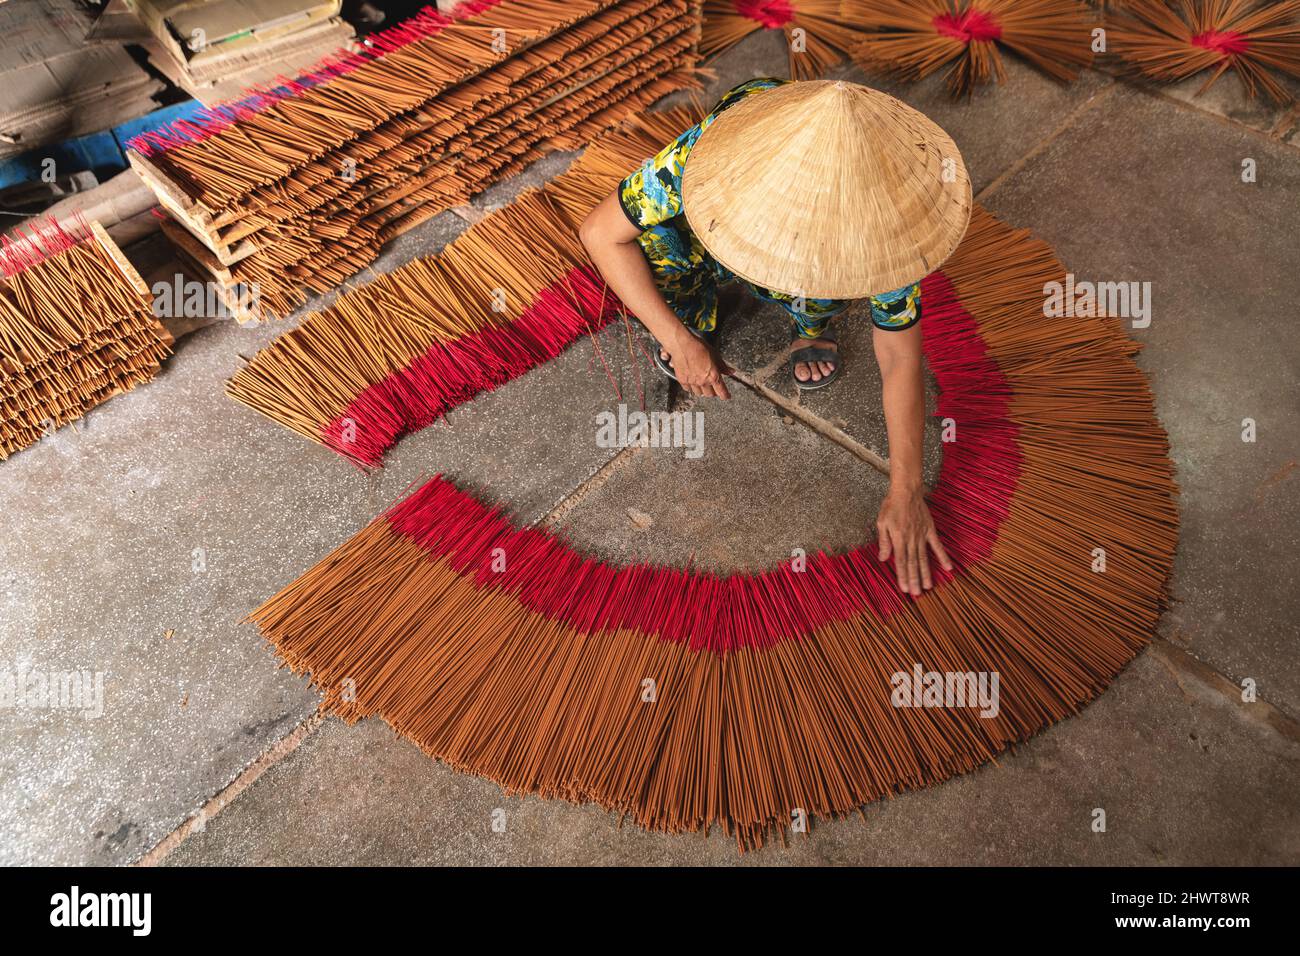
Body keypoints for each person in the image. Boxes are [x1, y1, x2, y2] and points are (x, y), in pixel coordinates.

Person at [579, 77, 972, 595]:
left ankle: (810, 325)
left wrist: (906, 488)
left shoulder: (889, 228)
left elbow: (900, 355)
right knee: (656, 243)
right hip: (708, 230)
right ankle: (693, 315)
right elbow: (599, 232)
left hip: (826, 244)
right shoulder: (703, 158)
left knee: (821, 295)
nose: (798, 260)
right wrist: (676, 338)